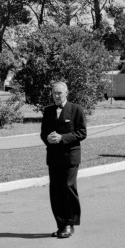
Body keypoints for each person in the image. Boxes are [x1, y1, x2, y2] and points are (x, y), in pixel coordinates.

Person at [40, 80, 87, 238]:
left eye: (60, 93)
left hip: (70, 156)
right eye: (54, 93)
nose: (57, 96)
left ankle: (70, 223)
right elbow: (43, 133)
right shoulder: (48, 111)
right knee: (55, 191)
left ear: (66, 93)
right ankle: (61, 225)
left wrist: (62, 138)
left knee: (68, 187)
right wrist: (49, 138)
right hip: (54, 157)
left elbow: (81, 133)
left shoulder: (76, 109)